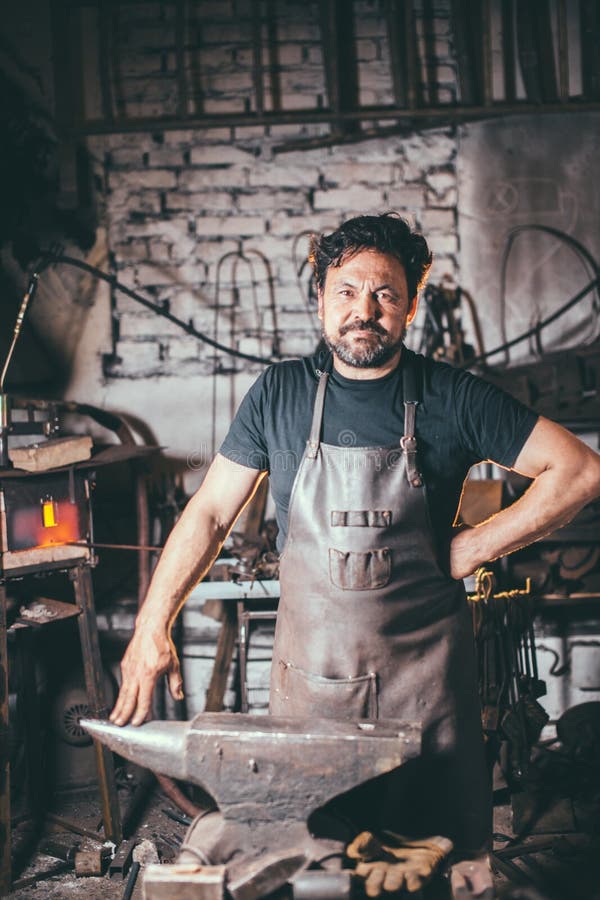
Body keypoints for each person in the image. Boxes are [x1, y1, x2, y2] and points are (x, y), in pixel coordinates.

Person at [110, 213, 600, 863]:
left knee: (428, 866)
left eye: (385, 294)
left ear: (411, 305)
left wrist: (475, 547)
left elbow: (579, 470)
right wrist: (152, 626)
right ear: (320, 300)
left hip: (425, 702)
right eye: (346, 291)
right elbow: (208, 513)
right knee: (314, 865)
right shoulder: (278, 394)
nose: (363, 310)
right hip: (310, 697)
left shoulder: (455, 397)